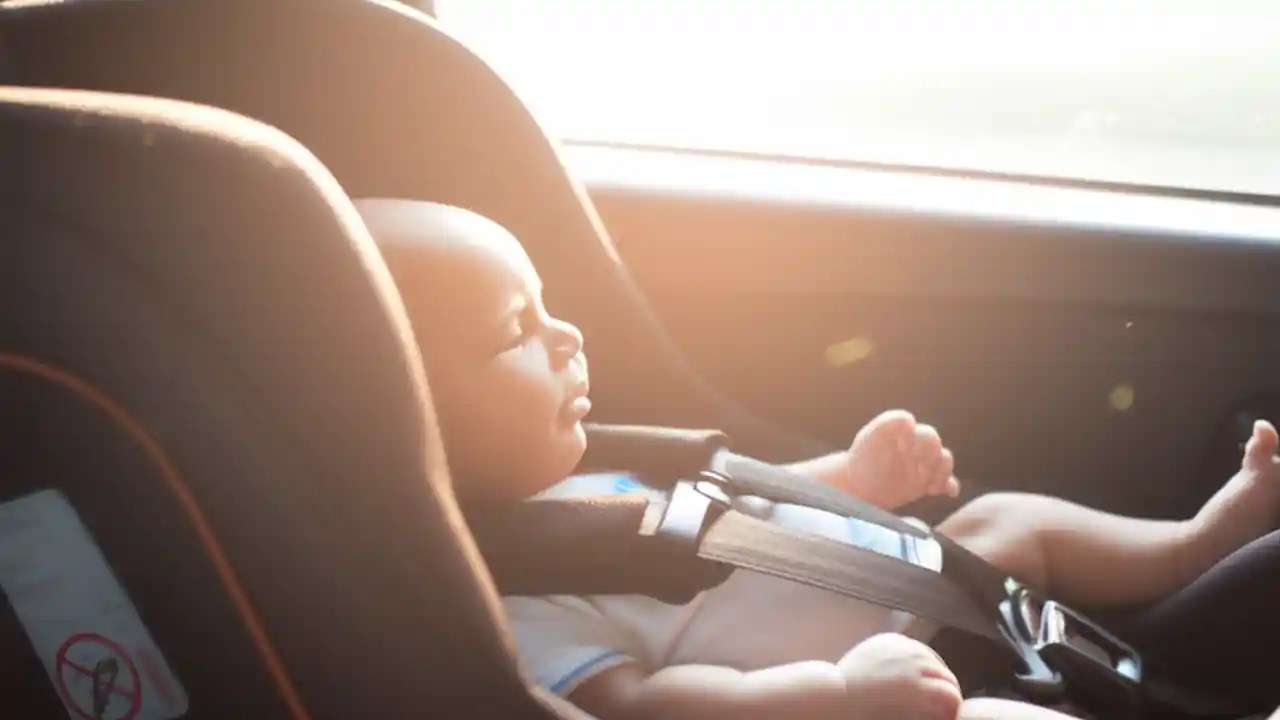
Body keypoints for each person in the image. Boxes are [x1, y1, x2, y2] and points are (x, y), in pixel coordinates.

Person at [356, 198, 1280, 720]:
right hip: (890, 687)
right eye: (518, 331)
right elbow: (653, 707)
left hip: (929, 590)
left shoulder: (597, 468)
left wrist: (853, 477)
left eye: (550, 306)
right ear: (410, 415)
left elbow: (733, 511)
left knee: (1013, 521)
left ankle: (1189, 546)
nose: (567, 336)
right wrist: (837, 696)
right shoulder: (507, 607)